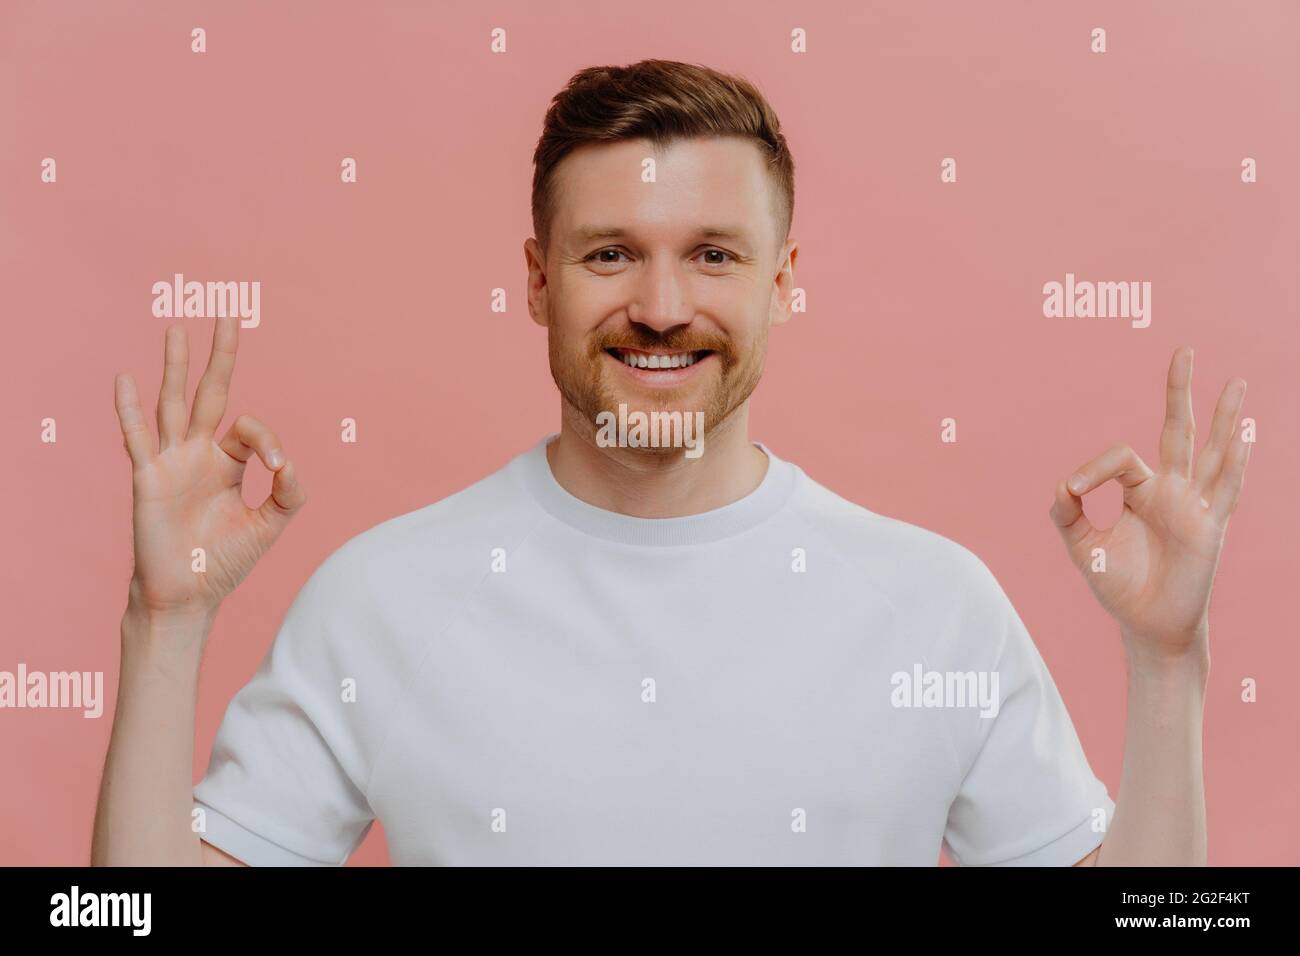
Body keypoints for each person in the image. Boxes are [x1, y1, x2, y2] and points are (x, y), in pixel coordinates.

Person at [92, 59, 1251, 867]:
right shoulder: (379, 599)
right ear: (539, 279)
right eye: (610, 253)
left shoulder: (935, 608)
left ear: (782, 279)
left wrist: (1166, 664)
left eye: (711, 254)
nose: (658, 307)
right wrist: (164, 619)